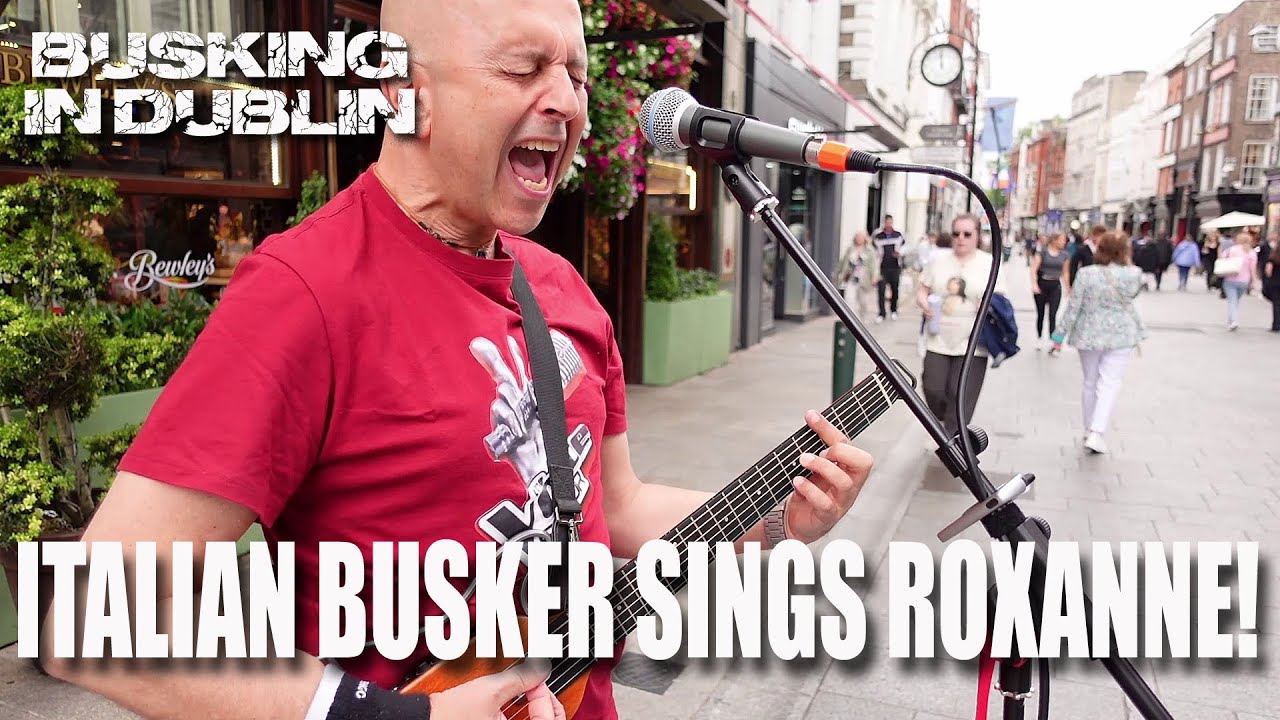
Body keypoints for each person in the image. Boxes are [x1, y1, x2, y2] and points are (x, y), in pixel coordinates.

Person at [40, 3, 877, 719]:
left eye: (577, 76)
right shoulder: (305, 290)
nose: (566, 101)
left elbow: (614, 505)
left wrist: (778, 523)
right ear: (404, 91)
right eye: (523, 68)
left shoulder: (563, 290)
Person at [915, 214, 1007, 439]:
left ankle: (952, 442)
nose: (961, 238)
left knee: (960, 394)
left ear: (977, 236)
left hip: (974, 340)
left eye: (967, 234)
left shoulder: (989, 263)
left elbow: (1001, 299)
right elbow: (922, 289)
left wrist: (988, 304)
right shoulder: (939, 260)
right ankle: (943, 421)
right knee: (933, 387)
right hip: (939, 336)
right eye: (956, 233)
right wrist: (924, 304)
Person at [1058, 231, 1147, 455]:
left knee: (1090, 381)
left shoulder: (1086, 274)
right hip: (1121, 334)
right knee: (1110, 383)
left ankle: (1089, 428)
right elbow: (1133, 297)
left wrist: (1059, 335)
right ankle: (1097, 432)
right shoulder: (1135, 274)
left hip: (1088, 333)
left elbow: (1074, 306)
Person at [1030, 232, 1071, 354]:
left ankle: (1053, 341)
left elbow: (1065, 272)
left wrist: (1067, 287)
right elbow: (1034, 269)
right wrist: (1034, 284)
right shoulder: (1042, 252)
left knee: (1053, 314)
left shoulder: (1065, 255)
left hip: (1055, 285)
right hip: (1042, 284)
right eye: (1062, 240)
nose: (1064, 242)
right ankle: (1039, 337)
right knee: (1041, 314)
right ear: (1054, 240)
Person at [1220, 230, 1258, 331]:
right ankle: (1231, 320)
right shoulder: (1252, 253)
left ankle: (1233, 320)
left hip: (1230, 278)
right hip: (1244, 280)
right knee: (1236, 301)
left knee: (1232, 301)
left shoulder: (1232, 250)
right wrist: (1253, 281)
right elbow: (1252, 269)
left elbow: (1222, 258)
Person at [836, 229, 880, 317]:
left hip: (864, 279)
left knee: (863, 301)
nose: (859, 239)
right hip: (851, 278)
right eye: (857, 237)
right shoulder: (850, 249)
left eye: (861, 237)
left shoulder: (869, 250)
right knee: (849, 300)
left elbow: (874, 264)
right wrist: (839, 273)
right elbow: (843, 262)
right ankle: (851, 319)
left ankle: (862, 319)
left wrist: (874, 276)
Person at [873, 214, 905, 322]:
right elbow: (874, 251)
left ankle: (893, 310)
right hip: (882, 268)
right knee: (881, 290)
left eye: (890, 222)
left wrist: (900, 253)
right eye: (887, 222)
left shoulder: (898, 235)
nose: (888, 224)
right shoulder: (878, 236)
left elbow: (904, 248)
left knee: (895, 289)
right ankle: (881, 313)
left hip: (895, 267)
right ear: (884, 222)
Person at [1068, 224, 1102, 289]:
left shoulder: (1104, 251)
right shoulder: (1083, 249)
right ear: (1094, 236)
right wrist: (1072, 281)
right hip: (1085, 280)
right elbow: (1073, 265)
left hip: (1099, 282)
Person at [1264, 233, 1280, 332]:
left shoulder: (1274, 256)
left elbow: (1268, 270)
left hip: (1275, 282)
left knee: (1276, 304)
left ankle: (1276, 325)